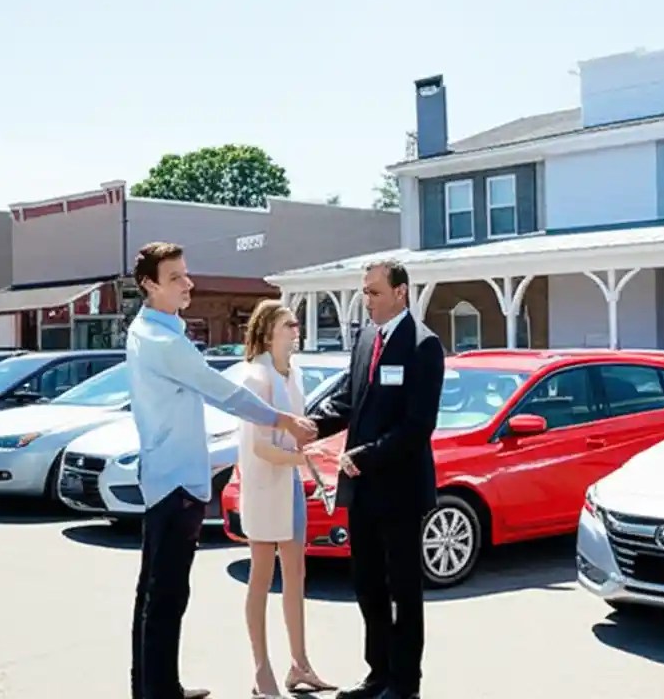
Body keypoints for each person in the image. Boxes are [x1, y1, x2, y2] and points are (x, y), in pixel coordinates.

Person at [126, 241, 316, 699]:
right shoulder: (163, 341)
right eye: (175, 277)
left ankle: (157, 686)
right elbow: (222, 392)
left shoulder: (152, 331)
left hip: (166, 478)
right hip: (176, 483)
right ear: (150, 285)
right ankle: (157, 691)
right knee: (166, 596)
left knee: (155, 594)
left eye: (186, 273)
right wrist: (283, 419)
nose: (187, 283)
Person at [308, 259, 446, 699]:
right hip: (363, 489)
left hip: (400, 491)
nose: (366, 300)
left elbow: (417, 425)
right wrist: (309, 426)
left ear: (401, 292)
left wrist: (364, 454)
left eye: (374, 292)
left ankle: (405, 684)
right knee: (367, 584)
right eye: (364, 291)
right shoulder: (366, 338)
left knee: (403, 590)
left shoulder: (423, 345)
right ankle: (378, 674)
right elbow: (351, 400)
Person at [236, 300, 335, 698]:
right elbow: (260, 447)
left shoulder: (293, 374)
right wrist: (308, 457)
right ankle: (262, 671)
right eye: (289, 324)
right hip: (262, 489)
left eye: (296, 323)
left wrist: (307, 448)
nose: (297, 329)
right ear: (268, 331)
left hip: (289, 484)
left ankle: (300, 665)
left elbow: (294, 433)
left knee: (296, 573)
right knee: (261, 577)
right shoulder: (256, 378)